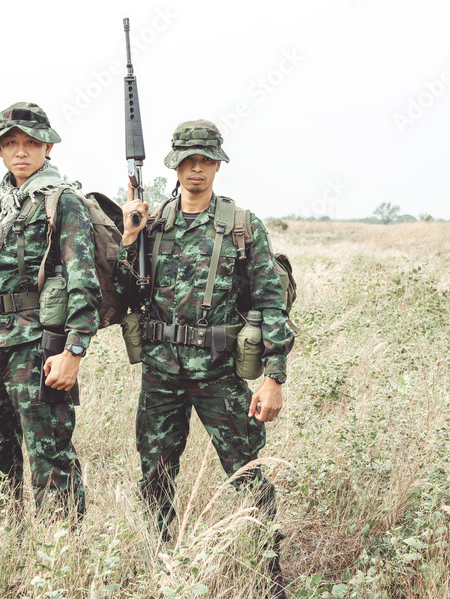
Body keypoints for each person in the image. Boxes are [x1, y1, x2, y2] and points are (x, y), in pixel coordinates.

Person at [116, 119, 294, 594]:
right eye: (188, 160)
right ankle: (162, 571)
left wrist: (273, 376)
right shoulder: (150, 225)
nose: (196, 169)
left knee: (248, 475)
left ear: (218, 164)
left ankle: (269, 578)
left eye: (206, 160)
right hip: (161, 377)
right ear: (174, 165)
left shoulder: (240, 225)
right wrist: (129, 240)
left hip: (219, 376)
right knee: (154, 475)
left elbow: (270, 300)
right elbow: (116, 295)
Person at [0, 102, 99, 517]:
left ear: (48, 147)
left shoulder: (62, 201)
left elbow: (83, 280)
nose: (21, 152)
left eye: (31, 143)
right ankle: (6, 550)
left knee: (49, 454)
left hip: (36, 344)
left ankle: (62, 555)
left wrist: (74, 351)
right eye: (11, 143)